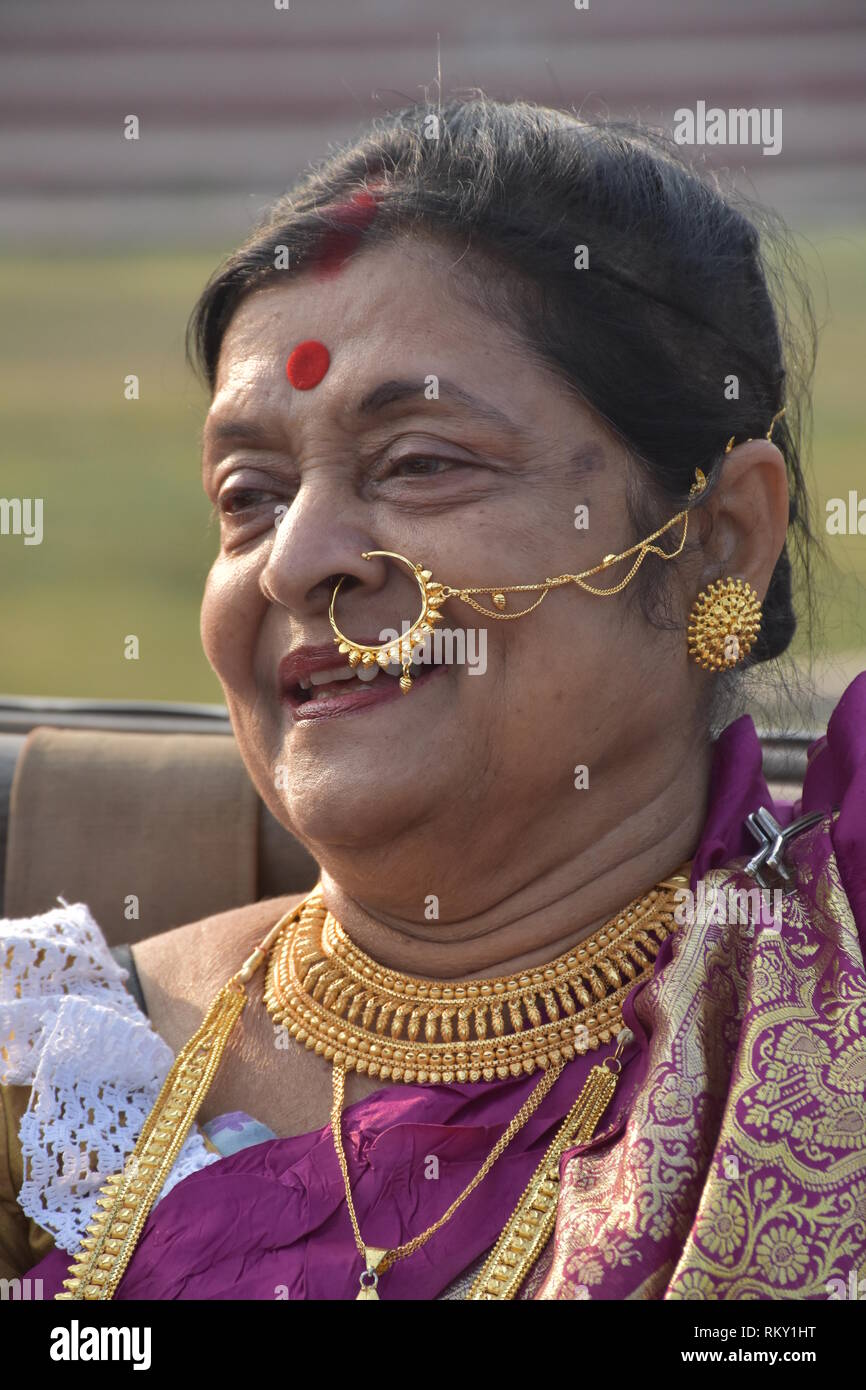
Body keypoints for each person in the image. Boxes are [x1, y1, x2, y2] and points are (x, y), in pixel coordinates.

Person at [2, 97, 864, 1301]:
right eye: (248, 492)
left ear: (718, 540)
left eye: (419, 463)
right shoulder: (56, 1064)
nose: (295, 561)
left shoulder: (820, 1018)